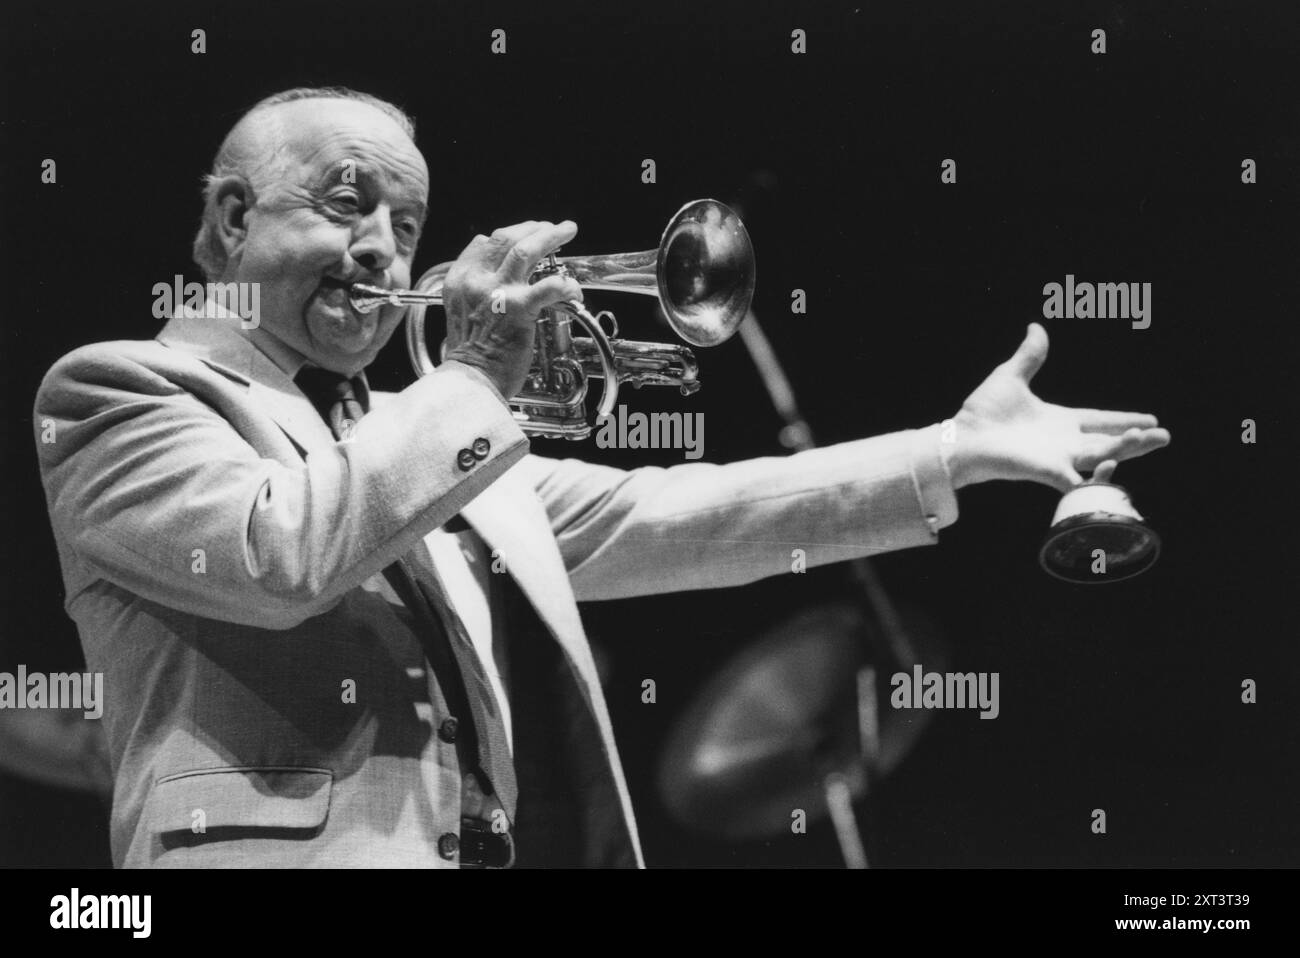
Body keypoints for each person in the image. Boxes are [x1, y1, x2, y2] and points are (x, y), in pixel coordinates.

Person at [32, 87, 1170, 868]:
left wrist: (950, 453)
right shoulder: (118, 393)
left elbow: (678, 513)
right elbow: (283, 555)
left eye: (409, 219)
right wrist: (474, 374)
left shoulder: (418, 436)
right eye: (348, 202)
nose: (388, 247)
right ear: (233, 218)